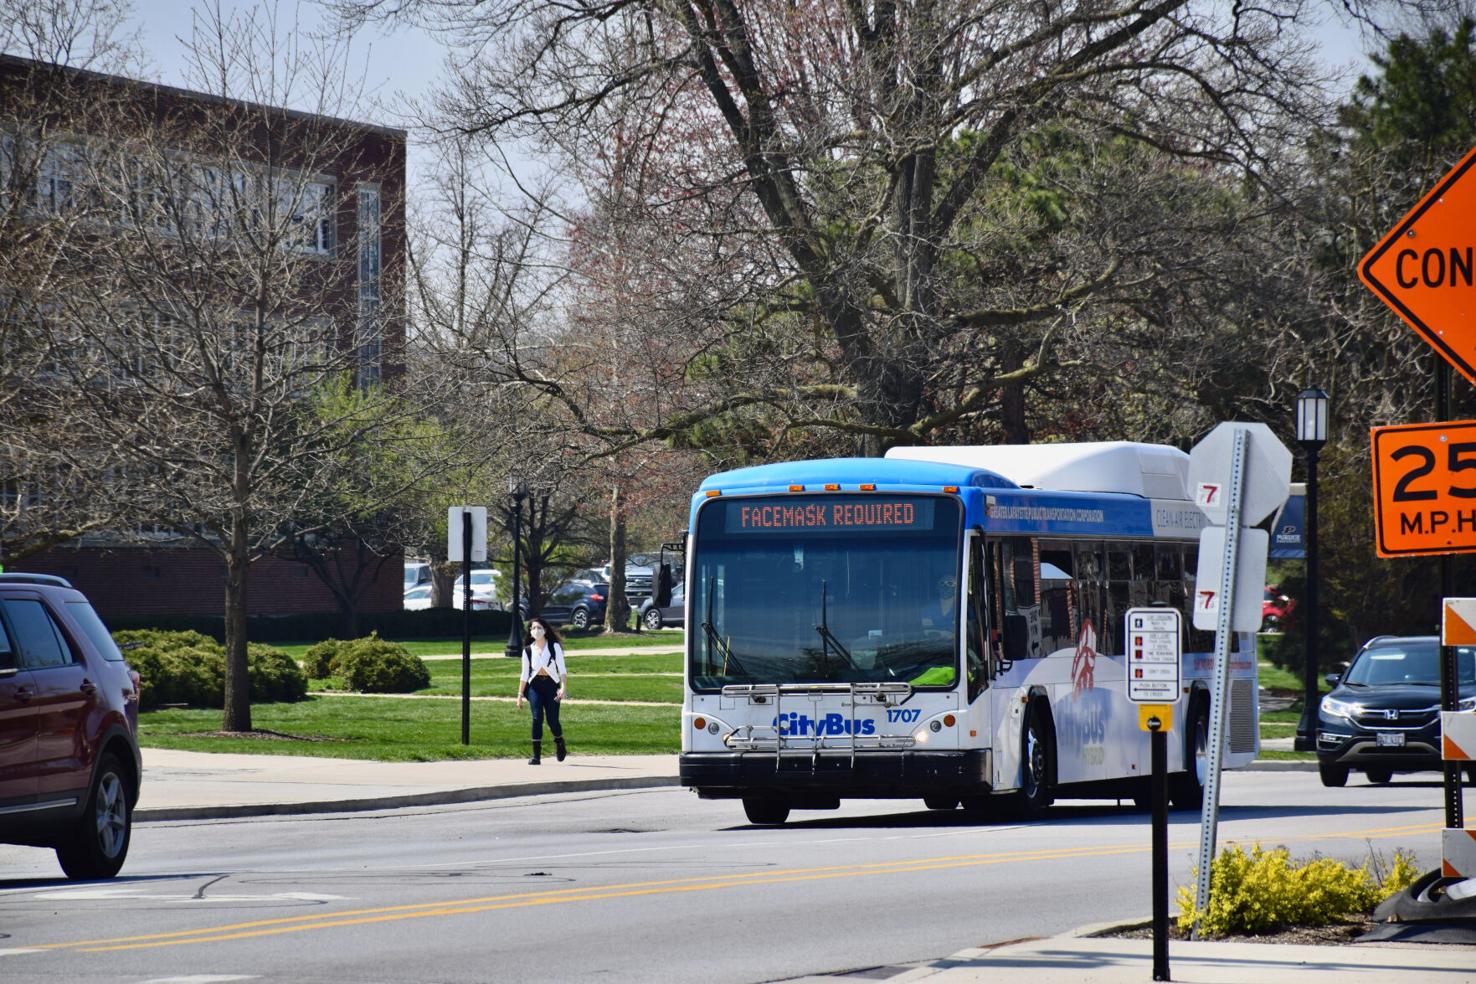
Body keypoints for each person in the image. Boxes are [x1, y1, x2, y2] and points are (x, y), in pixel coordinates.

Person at [516, 617, 568, 764]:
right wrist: (520, 695)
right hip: (535, 687)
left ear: (545, 630)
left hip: (551, 686)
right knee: (537, 718)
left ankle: (559, 742)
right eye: (533, 628)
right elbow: (524, 674)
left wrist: (563, 687)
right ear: (530, 632)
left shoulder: (554, 646)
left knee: (552, 721)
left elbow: (562, 670)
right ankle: (536, 756)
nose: (536, 631)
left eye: (539, 628)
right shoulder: (527, 651)